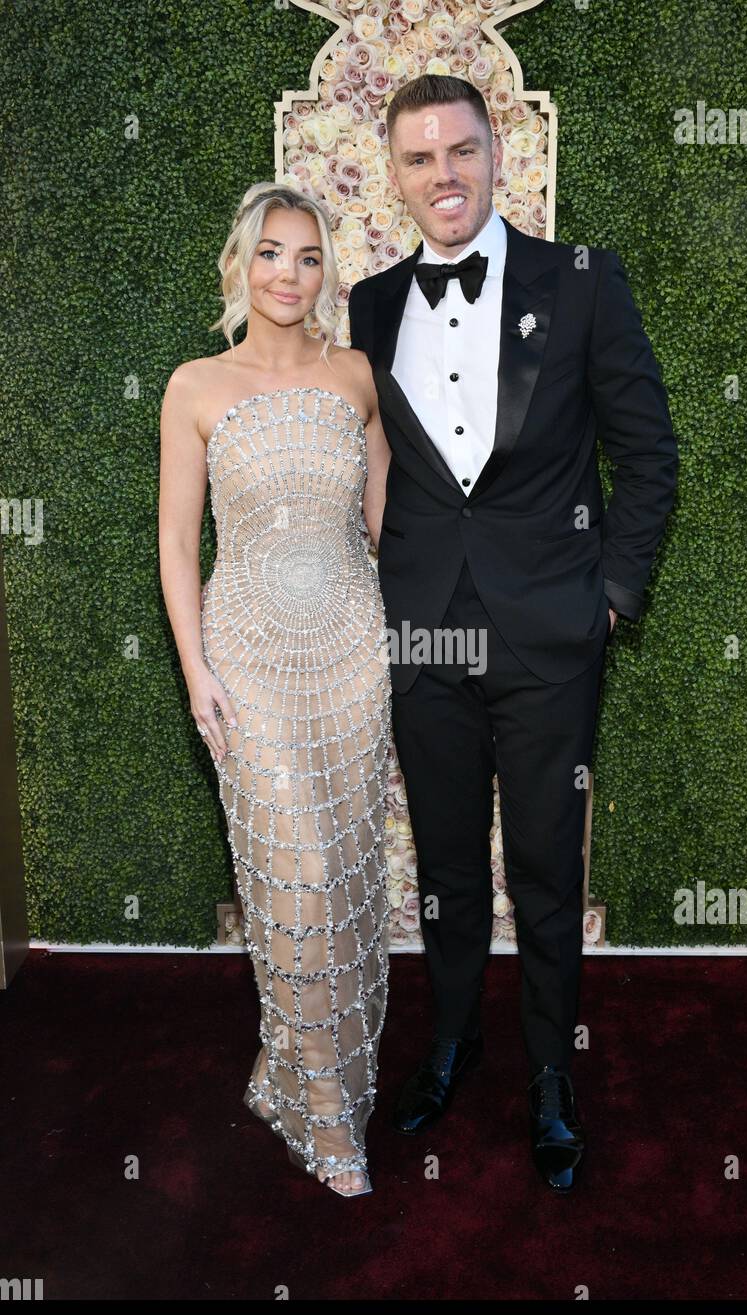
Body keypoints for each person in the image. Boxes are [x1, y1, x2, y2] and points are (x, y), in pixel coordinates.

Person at [349, 76, 678, 1193]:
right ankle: (453, 1040)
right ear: (394, 176)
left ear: (497, 154)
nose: (442, 174)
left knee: (542, 862)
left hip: (548, 636)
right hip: (426, 635)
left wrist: (611, 595)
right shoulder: (369, 305)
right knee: (444, 860)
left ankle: (549, 1072)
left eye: (460, 150)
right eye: (418, 157)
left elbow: (648, 452)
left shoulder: (580, 280)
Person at [159, 182, 393, 1195]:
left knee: (342, 877)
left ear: (325, 271)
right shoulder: (195, 386)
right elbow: (177, 543)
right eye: (269, 252)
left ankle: (287, 1070)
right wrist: (195, 670)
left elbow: (387, 524)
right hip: (247, 665)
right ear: (239, 263)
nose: (287, 274)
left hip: (351, 660)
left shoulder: (357, 377)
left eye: (306, 256)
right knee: (290, 881)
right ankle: (327, 1123)